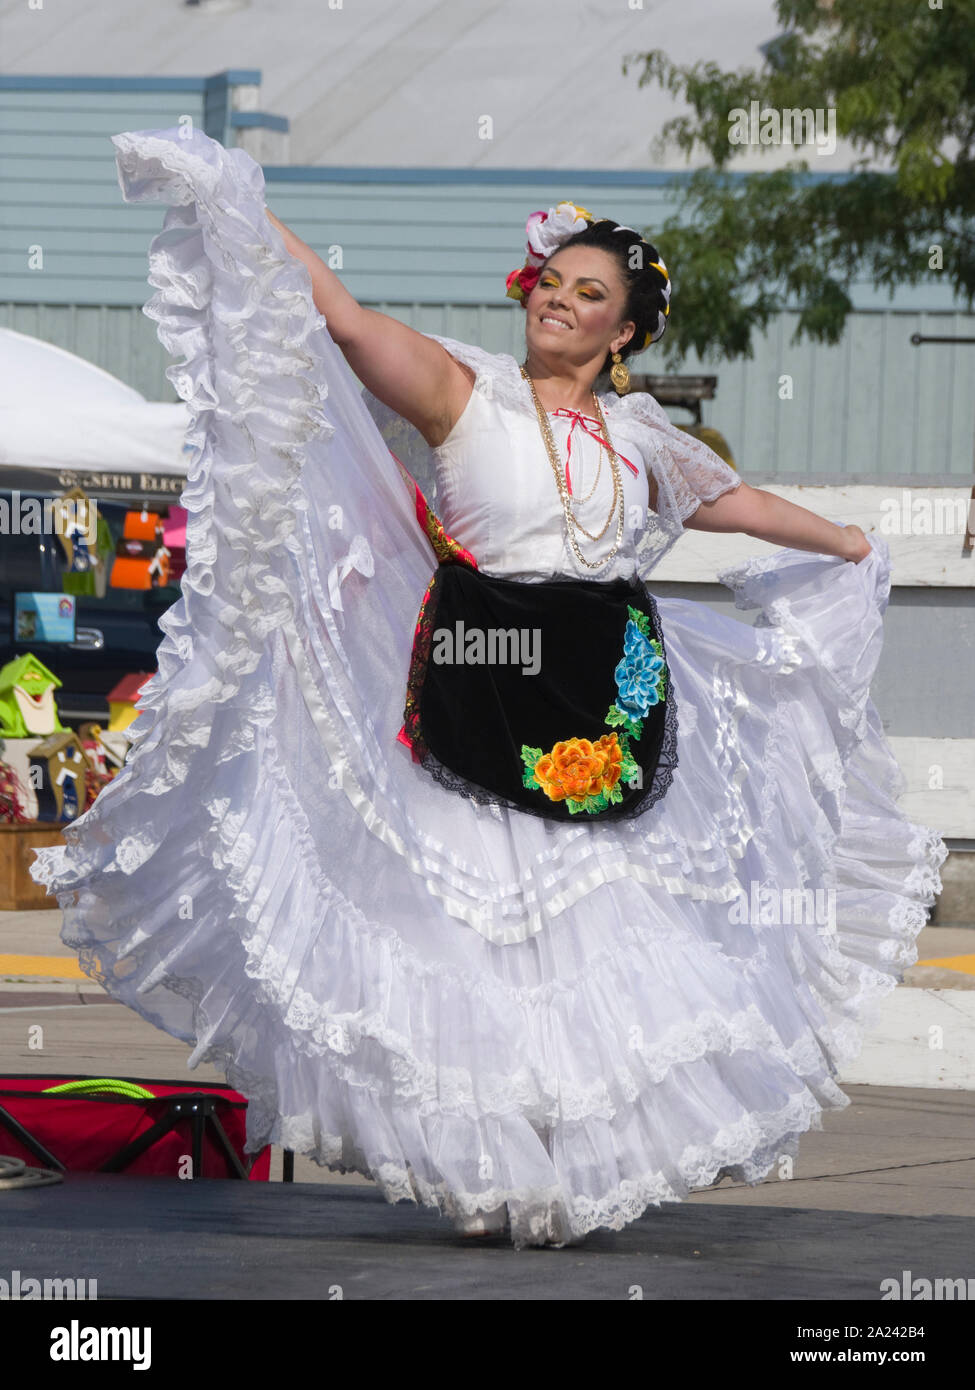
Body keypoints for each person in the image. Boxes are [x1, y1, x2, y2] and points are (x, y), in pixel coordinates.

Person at [30, 127, 946, 1250]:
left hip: (603, 712)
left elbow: (741, 506)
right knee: (477, 943)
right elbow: (348, 318)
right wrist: (234, 202)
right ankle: (483, 1168)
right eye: (551, 282)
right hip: (477, 690)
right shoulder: (468, 392)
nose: (558, 302)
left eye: (588, 293)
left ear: (626, 328)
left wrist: (850, 541)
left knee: (597, 945)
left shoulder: (647, 441)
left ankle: (566, 1172)